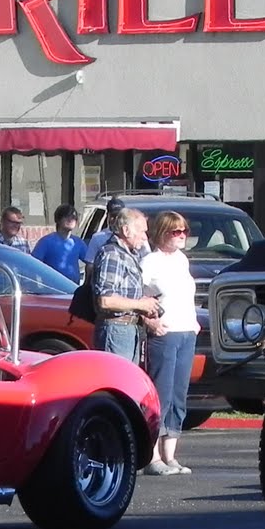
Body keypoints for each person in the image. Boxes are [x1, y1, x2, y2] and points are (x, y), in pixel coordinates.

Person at [139, 211, 201, 475]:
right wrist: (149, 322)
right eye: (176, 231)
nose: (181, 235)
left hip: (186, 330)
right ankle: (152, 456)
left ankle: (170, 455)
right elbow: (138, 296)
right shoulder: (150, 261)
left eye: (184, 230)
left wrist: (194, 322)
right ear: (161, 233)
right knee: (161, 393)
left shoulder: (182, 260)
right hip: (165, 333)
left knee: (178, 394)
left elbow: (185, 296)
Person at [90, 206, 163, 364]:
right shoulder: (112, 254)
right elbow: (105, 300)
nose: (145, 237)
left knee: (128, 377)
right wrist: (140, 304)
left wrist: (144, 304)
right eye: (142, 231)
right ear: (126, 230)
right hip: (116, 329)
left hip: (127, 329)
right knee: (117, 377)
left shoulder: (128, 254)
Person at [32, 204, 85, 282]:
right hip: (52, 287)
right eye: (67, 216)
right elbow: (33, 265)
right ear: (58, 219)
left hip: (73, 287)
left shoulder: (78, 242)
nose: (70, 219)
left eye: (73, 217)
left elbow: (91, 261)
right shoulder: (46, 241)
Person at [84, 195, 126, 267]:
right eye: (113, 216)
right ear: (107, 216)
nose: (116, 219)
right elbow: (90, 265)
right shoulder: (98, 238)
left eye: (119, 216)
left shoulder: (132, 237)